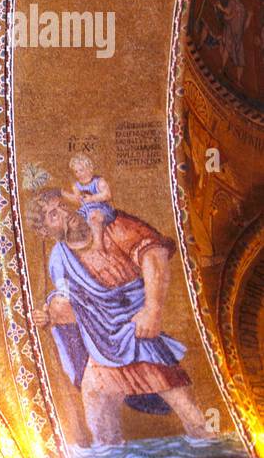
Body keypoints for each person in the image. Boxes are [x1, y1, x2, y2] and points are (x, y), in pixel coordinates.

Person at [28, 188, 210, 445]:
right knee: (98, 414)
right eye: (52, 215)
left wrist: (153, 310)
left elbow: (153, 254)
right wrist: (49, 317)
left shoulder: (110, 224)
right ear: (46, 232)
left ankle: (213, 457)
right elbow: (74, 303)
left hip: (138, 331)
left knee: (189, 412)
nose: (63, 215)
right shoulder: (60, 258)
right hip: (103, 346)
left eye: (62, 206)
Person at [61, 152, 115, 243]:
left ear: (89, 169)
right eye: (76, 171)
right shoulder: (77, 185)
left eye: (81, 170)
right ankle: (76, 241)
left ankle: (98, 244)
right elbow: (77, 199)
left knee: (94, 216)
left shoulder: (98, 181)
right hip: (85, 210)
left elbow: (107, 195)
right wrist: (65, 195)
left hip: (101, 209)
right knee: (72, 219)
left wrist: (92, 198)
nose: (78, 174)